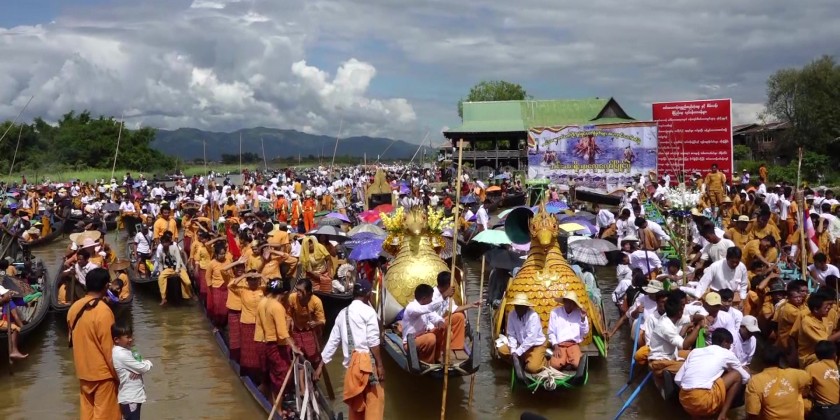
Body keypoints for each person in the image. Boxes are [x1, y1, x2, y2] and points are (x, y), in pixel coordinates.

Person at [316, 280, 385, 420]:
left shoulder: (342, 313)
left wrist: (320, 366)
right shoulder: (368, 311)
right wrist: (380, 365)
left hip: (352, 370)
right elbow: (373, 342)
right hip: (367, 367)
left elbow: (333, 341)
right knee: (374, 403)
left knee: (356, 408)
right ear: (367, 295)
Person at [67, 267, 121, 420]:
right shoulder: (104, 311)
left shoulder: (73, 309)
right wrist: (120, 377)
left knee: (87, 416)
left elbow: (71, 341)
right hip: (103, 376)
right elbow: (109, 350)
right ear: (106, 286)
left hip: (83, 373)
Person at [675, 329, 751, 420]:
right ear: (724, 343)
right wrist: (746, 370)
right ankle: (722, 415)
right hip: (702, 400)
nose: (730, 348)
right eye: (729, 345)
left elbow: (677, 379)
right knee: (736, 375)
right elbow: (745, 378)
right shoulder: (727, 353)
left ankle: (698, 413)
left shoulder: (695, 351)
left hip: (684, 399)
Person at [745, 345, 811, 420]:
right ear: (780, 360)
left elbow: (753, 413)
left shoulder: (755, 381)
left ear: (761, 361)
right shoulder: (796, 374)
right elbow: (811, 380)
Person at [496, 293, 547, 374]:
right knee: (501, 350)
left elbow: (531, 339)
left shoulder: (533, 316)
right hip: (519, 344)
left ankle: (542, 361)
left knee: (532, 369)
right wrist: (513, 351)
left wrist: (518, 352)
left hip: (535, 346)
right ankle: (521, 360)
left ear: (526, 307)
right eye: (517, 306)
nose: (518, 308)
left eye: (521, 306)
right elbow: (511, 335)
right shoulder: (512, 315)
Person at [112, 324, 153, 420]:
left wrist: (139, 369)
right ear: (116, 340)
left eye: (131, 336)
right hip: (131, 398)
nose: (130, 339)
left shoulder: (126, 351)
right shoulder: (121, 354)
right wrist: (148, 363)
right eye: (127, 337)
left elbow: (139, 365)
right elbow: (143, 367)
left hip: (133, 396)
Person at [288, 278, 326, 368]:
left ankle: (314, 376)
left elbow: (322, 320)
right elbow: (288, 314)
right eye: (297, 290)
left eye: (301, 291)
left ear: (308, 292)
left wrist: (316, 323)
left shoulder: (316, 301)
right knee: (298, 356)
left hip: (311, 331)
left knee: (314, 358)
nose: (298, 293)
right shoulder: (292, 297)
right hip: (297, 329)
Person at [797, 292, 840, 368]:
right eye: (826, 306)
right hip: (811, 357)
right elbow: (825, 342)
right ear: (816, 309)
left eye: (830, 305)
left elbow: (832, 334)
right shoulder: (808, 322)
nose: (829, 308)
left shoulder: (824, 318)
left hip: (824, 353)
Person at [548, 291, 589, 371]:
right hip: (560, 345)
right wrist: (555, 346)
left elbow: (585, 332)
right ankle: (565, 362)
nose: (569, 304)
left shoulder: (580, 313)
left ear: (574, 304)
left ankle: (567, 362)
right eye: (567, 301)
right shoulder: (555, 313)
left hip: (573, 344)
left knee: (577, 364)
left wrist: (583, 318)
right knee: (555, 365)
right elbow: (551, 332)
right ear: (564, 302)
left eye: (571, 302)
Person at [152, 233, 193, 306]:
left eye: (166, 242)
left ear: (168, 242)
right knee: (161, 278)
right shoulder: (161, 250)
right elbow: (161, 262)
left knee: (188, 282)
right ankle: (163, 298)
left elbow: (178, 259)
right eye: (163, 243)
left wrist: (177, 270)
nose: (164, 244)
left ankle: (191, 294)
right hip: (169, 268)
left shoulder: (174, 248)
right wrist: (160, 271)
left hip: (179, 267)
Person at [805, 340, 840, 419]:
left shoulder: (811, 368)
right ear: (835, 354)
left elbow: (805, 389)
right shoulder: (838, 367)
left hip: (823, 411)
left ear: (817, 356)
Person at [0, 286, 27, 359]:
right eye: (7, 294)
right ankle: (14, 351)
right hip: (2, 322)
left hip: (3, 321)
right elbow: (16, 317)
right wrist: (23, 328)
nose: (9, 296)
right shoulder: (8, 302)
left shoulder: (7, 302)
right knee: (14, 328)